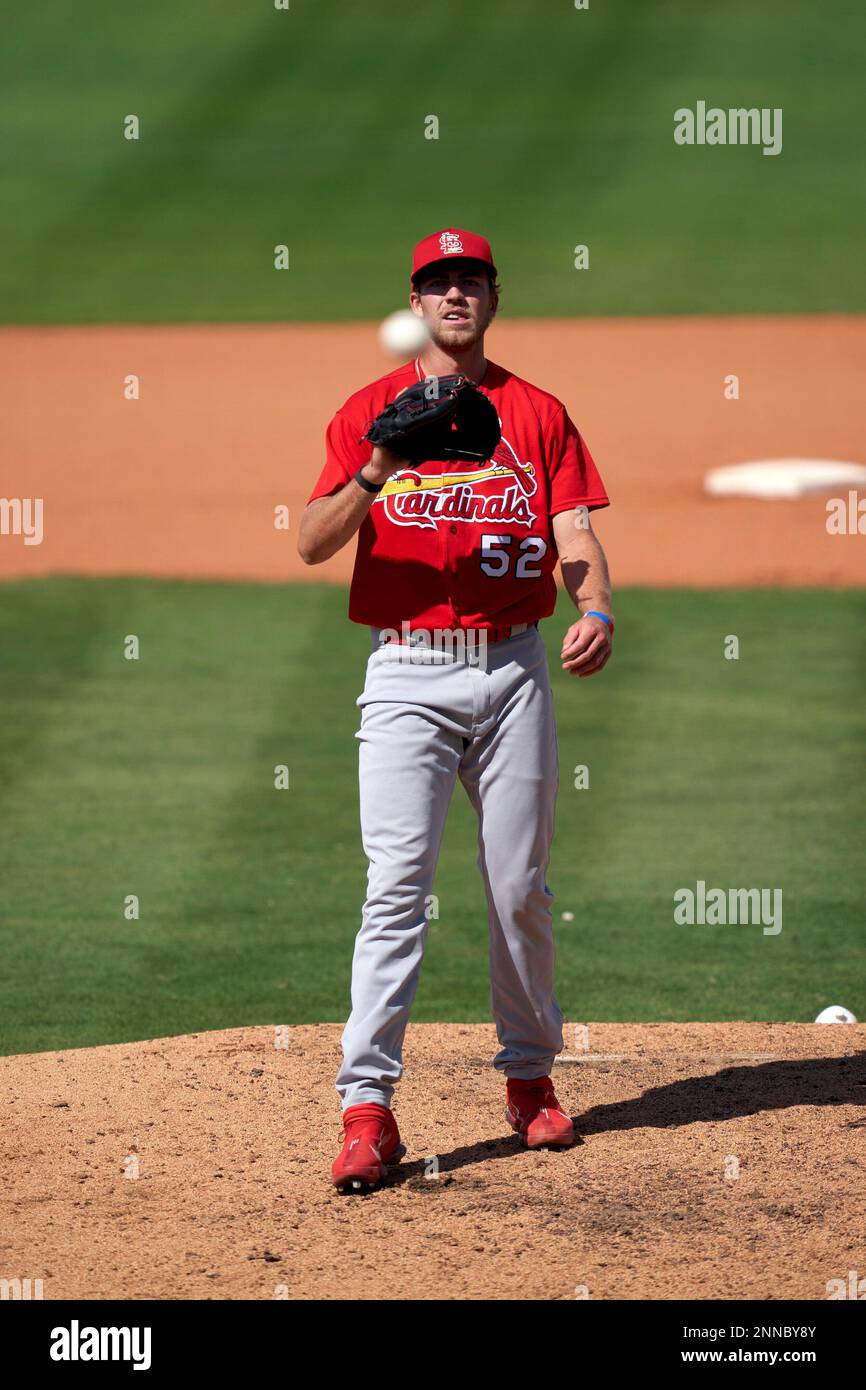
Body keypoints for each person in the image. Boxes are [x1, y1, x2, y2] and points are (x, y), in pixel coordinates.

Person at [298, 228, 614, 1192]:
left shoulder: (537, 412)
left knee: (519, 883)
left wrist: (594, 603)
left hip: (513, 669)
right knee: (396, 885)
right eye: (439, 283)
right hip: (406, 674)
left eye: (470, 281)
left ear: (492, 296)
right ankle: (366, 1110)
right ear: (417, 300)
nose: (455, 295)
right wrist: (379, 462)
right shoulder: (368, 412)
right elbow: (312, 541)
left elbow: (574, 528)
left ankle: (529, 1081)